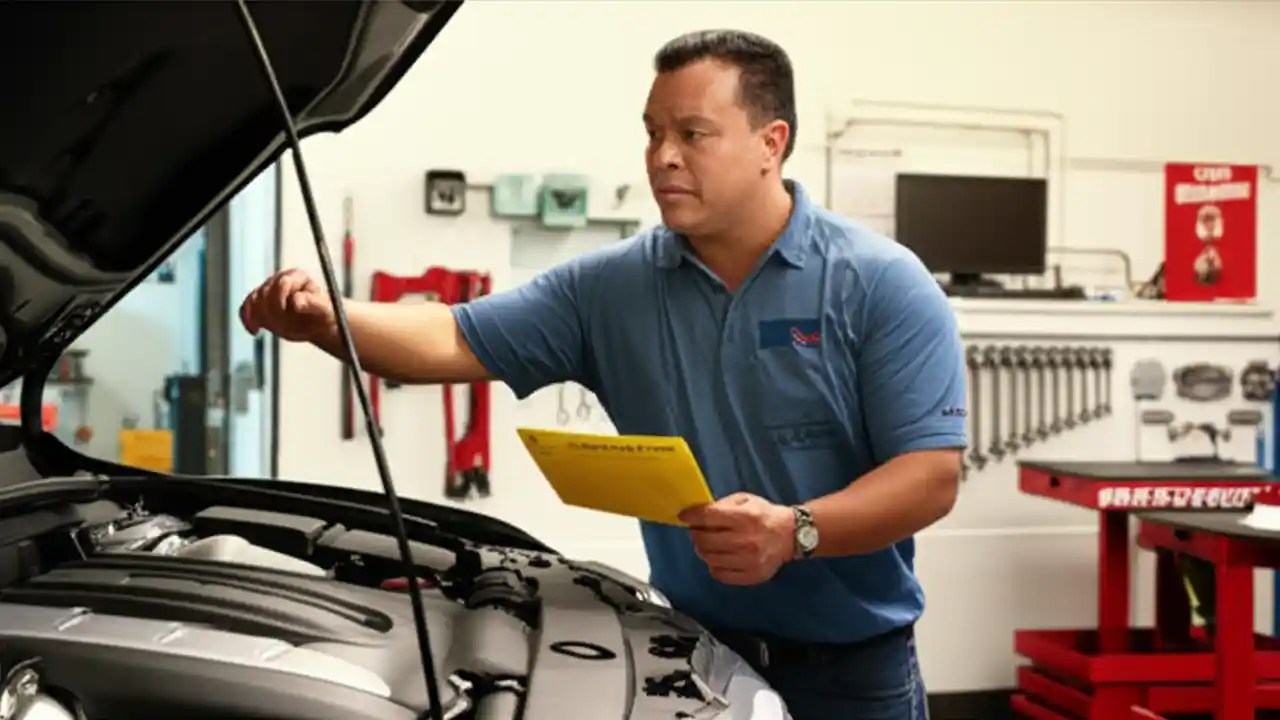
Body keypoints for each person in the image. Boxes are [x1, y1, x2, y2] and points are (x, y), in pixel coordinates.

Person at [240, 29, 965, 720]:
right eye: (653, 133)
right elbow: (451, 338)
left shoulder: (878, 284)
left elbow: (930, 475)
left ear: (771, 143)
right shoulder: (612, 288)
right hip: (697, 657)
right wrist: (329, 321)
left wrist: (795, 531)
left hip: (853, 676)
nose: (662, 157)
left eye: (692, 134)